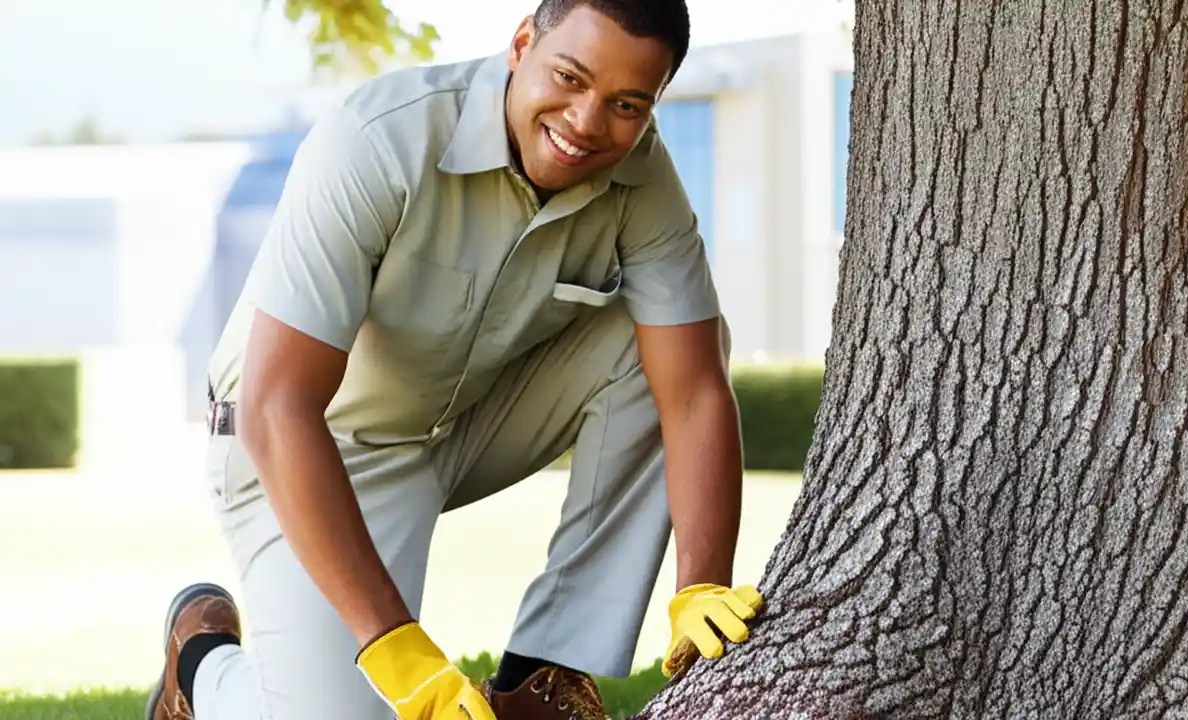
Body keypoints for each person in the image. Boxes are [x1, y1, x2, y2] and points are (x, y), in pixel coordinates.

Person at [146, 1, 765, 718]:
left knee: (666, 341)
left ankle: (542, 678)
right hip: (308, 447)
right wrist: (395, 648)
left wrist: (702, 584)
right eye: (569, 76)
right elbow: (276, 405)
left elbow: (693, 393)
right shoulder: (380, 138)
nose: (588, 123)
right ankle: (200, 667)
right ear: (522, 44)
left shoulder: (644, 178)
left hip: (459, 429)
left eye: (626, 104)